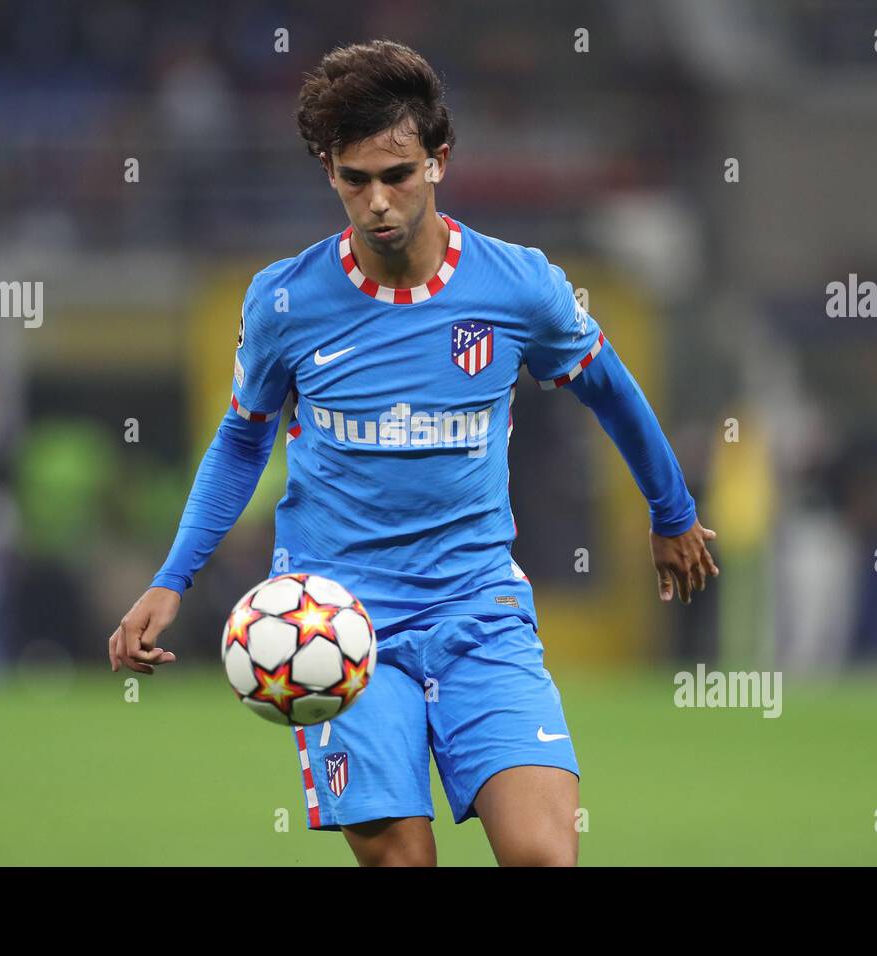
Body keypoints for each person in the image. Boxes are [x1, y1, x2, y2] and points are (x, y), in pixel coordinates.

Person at [108, 40, 719, 866]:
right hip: (336, 625)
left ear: (439, 160)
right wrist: (172, 577)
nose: (378, 202)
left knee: (545, 855)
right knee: (402, 862)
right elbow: (243, 440)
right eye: (355, 179)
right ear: (329, 172)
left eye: (397, 174)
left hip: (478, 613)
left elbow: (610, 388)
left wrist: (672, 511)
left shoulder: (520, 285)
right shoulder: (285, 301)